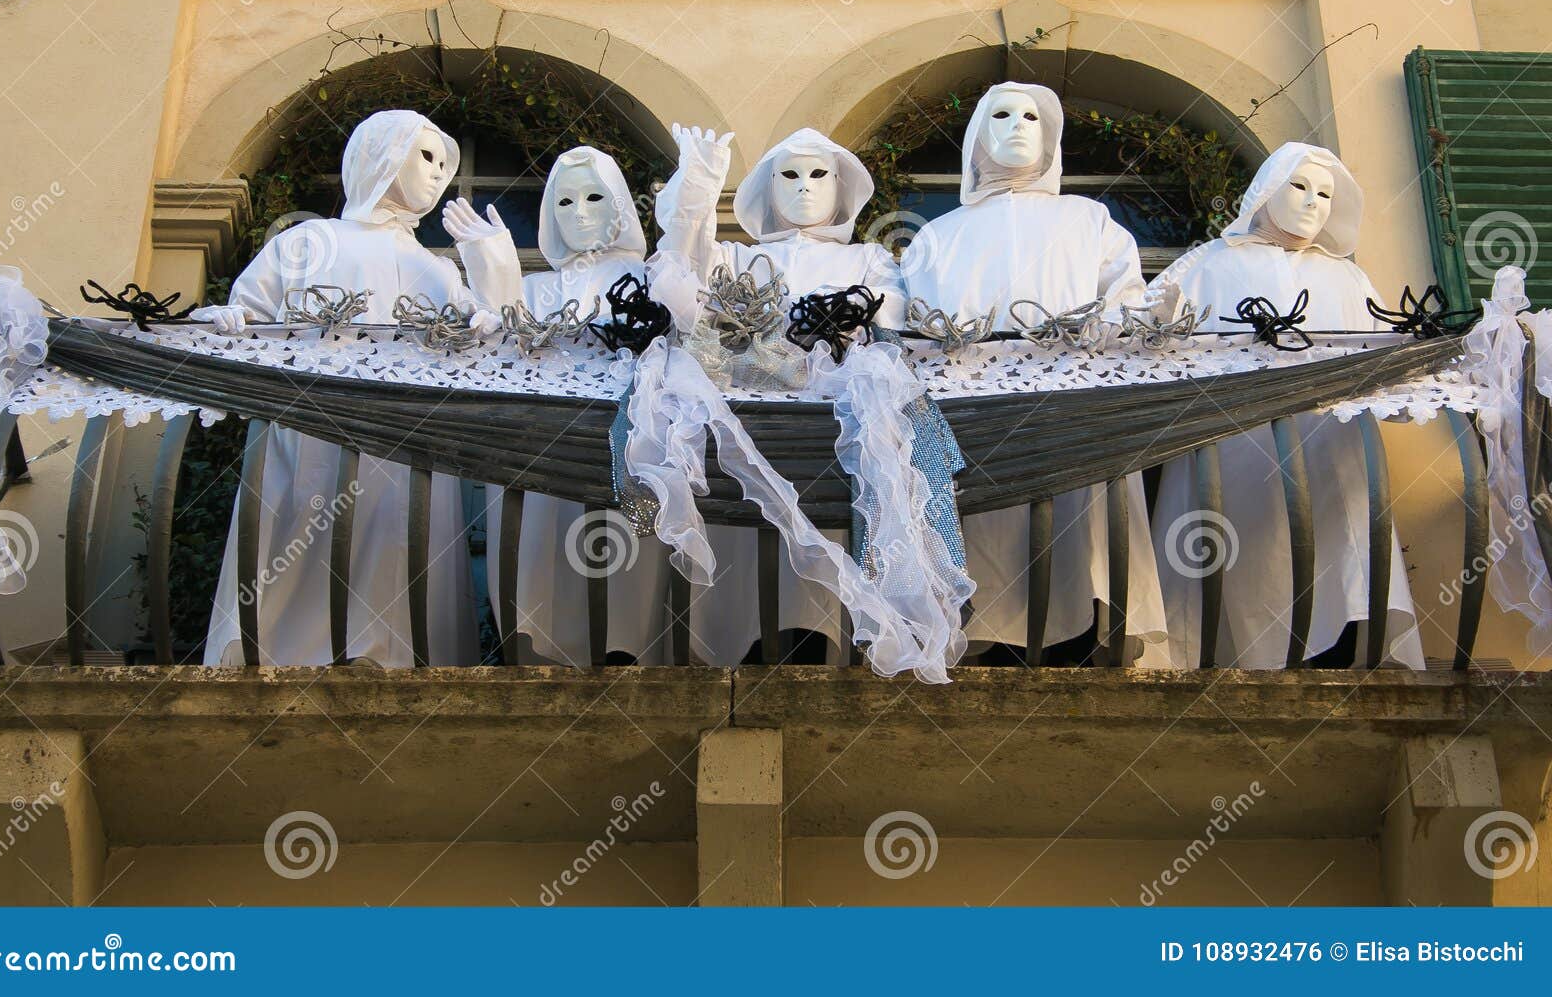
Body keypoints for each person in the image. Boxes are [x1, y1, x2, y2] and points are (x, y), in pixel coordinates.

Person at [195, 110, 490, 667]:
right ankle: (284, 646)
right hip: (312, 434)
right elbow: (250, 309)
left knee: (396, 541)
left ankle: (392, 654)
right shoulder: (312, 241)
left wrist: (486, 301)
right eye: (423, 155)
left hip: (407, 446)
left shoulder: (439, 270)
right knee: (304, 529)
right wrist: (229, 319)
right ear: (381, 153)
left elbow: (481, 338)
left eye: (442, 163)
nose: (437, 173)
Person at [901, 82, 1168, 665]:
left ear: (1052, 139)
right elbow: (910, 332)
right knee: (986, 548)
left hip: (1072, 418)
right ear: (976, 137)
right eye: (1002, 114)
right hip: (969, 427)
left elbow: (1130, 304)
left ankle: (1077, 643)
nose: (1020, 124)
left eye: (1033, 116)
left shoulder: (1089, 220)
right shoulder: (937, 236)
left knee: (1077, 543)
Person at [1145, 142, 1425, 669]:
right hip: (1231, 452)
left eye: (1325, 194)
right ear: (1269, 190)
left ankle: (1329, 662)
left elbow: (1386, 356)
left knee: (1335, 562)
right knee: (1230, 566)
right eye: (1299, 186)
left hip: (1330, 453)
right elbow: (1141, 332)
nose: (1313, 202)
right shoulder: (1209, 263)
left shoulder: (1348, 278)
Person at [653, 124, 907, 663]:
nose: (804, 187)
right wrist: (697, 187)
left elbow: (893, 335)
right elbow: (682, 277)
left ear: (843, 186)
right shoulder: (739, 258)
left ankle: (837, 637)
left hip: (837, 439)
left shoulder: (868, 261)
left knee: (827, 547)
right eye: (788, 176)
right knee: (755, 553)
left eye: (819, 174)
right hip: (752, 431)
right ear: (766, 189)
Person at [441, 146, 674, 664]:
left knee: (631, 557)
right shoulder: (537, 287)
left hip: (632, 445)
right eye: (565, 202)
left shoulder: (651, 280)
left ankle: (631, 649)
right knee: (547, 550)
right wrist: (494, 266)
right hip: (545, 449)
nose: (582, 213)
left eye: (595, 197)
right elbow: (509, 341)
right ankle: (540, 647)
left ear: (620, 207)